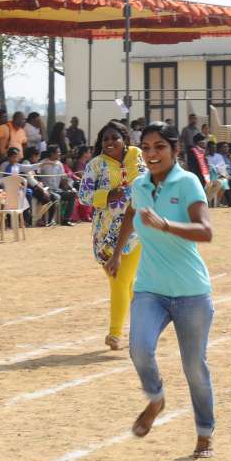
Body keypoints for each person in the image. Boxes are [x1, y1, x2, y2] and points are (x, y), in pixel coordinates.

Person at [106, 121, 216, 459]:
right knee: (139, 348)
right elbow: (130, 214)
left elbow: (205, 231)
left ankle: (204, 433)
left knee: (194, 366)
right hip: (150, 288)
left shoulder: (187, 182)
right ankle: (156, 398)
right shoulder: (140, 185)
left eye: (160, 147)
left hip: (191, 291)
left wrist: (167, 225)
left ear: (174, 150)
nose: (152, 154)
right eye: (147, 147)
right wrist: (117, 251)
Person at [78, 120, 145, 351]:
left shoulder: (138, 155)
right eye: (105, 139)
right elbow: (84, 197)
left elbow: (147, 183)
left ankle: (115, 334)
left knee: (120, 279)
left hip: (137, 229)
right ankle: (144, 327)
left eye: (114, 137)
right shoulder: (95, 165)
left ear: (124, 139)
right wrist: (107, 195)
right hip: (105, 234)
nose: (109, 142)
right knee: (124, 283)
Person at [37, 145, 76, 226]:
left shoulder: (59, 164)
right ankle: (49, 220)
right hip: (47, 190)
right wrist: (44, 189)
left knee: (72, 195)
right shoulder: (43, 163)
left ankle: (66, 219)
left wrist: (71, 188)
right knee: (56, 197)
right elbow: (38, 178)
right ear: (52, 153)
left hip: (57, 190)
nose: (60, 154)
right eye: (58, 152)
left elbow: (63, 179)